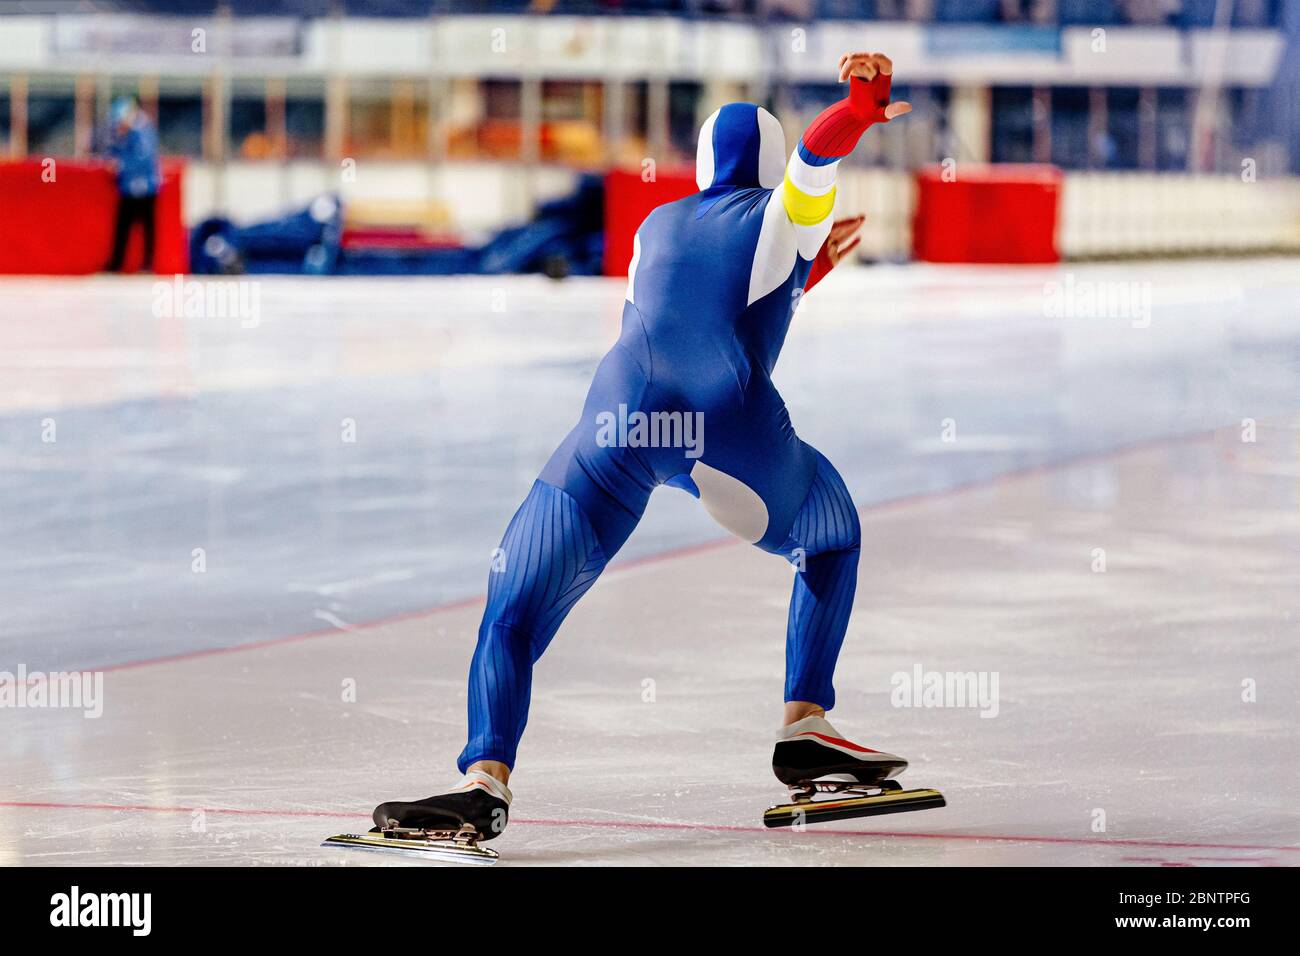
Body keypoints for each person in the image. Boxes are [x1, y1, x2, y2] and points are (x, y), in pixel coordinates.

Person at [374, 52, 913, 839]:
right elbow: (814, 159)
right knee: (831, 535)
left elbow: (702, 301)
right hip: (723, 427)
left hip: (617, 427)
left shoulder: (654, 226)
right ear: (762, 169)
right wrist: (859, 111)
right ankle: (805, 725)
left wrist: (808, 269)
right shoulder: (782, 212)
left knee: (513, 611)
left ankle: (484, 778)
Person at [102, 96, 161, 273]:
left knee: (146, 227)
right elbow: (114, 151)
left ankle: (148, 263)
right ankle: (117, 262)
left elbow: (143, 159)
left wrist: (120, 165)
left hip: (145, 187)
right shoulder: (125, 132)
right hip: (128, 187)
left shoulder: (142, 131)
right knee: (123, 227)